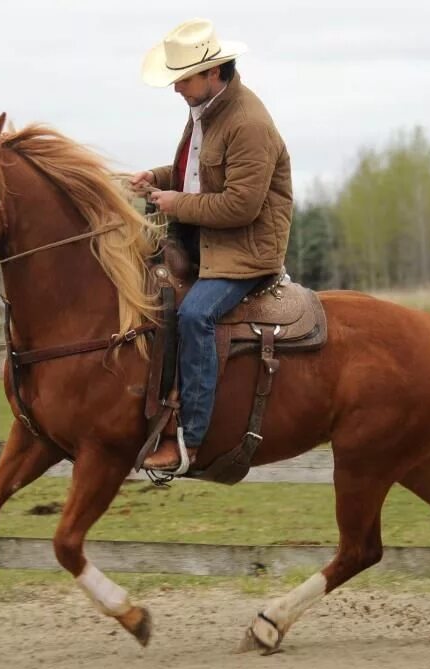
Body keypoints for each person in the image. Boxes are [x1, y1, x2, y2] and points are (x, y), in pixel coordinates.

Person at [132, 18, 293, 472]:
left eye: (182, 79)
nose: (177, 88)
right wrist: (159, 179)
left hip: (245, 253)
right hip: (206, 243)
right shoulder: (207, 109)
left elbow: (240, 206)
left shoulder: (249, 124)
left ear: (213, 72)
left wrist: (176, 203)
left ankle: (191, 439)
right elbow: (198, 173)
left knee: (195, 315)